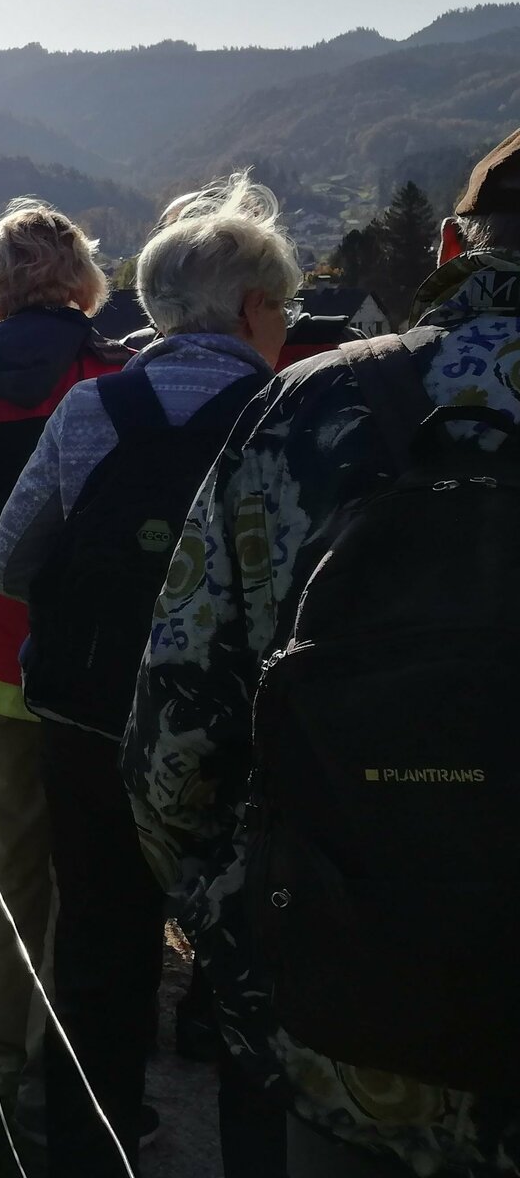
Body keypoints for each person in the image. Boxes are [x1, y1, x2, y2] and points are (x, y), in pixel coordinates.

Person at [128, 133, 520, 1177]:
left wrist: (251, 938)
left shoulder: (314, 407)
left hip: (360, 1028)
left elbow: (174, 737)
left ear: (453, 245)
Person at [0, 173, 296, 1174]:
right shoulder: (291, 412)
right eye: (283, 304)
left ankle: (90, 1142)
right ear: (250, 308)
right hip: (251, 736)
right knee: (257, 962)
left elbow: (10, 561)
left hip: (91, 719)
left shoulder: (93, 409)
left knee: (100, 943)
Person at [0, 200, 127, 1136]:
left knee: (10, 862)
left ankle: (12, 1048)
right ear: (80, 276)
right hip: (103, 666)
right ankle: (86, 1062)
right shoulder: (114, 376)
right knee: (97, 867)